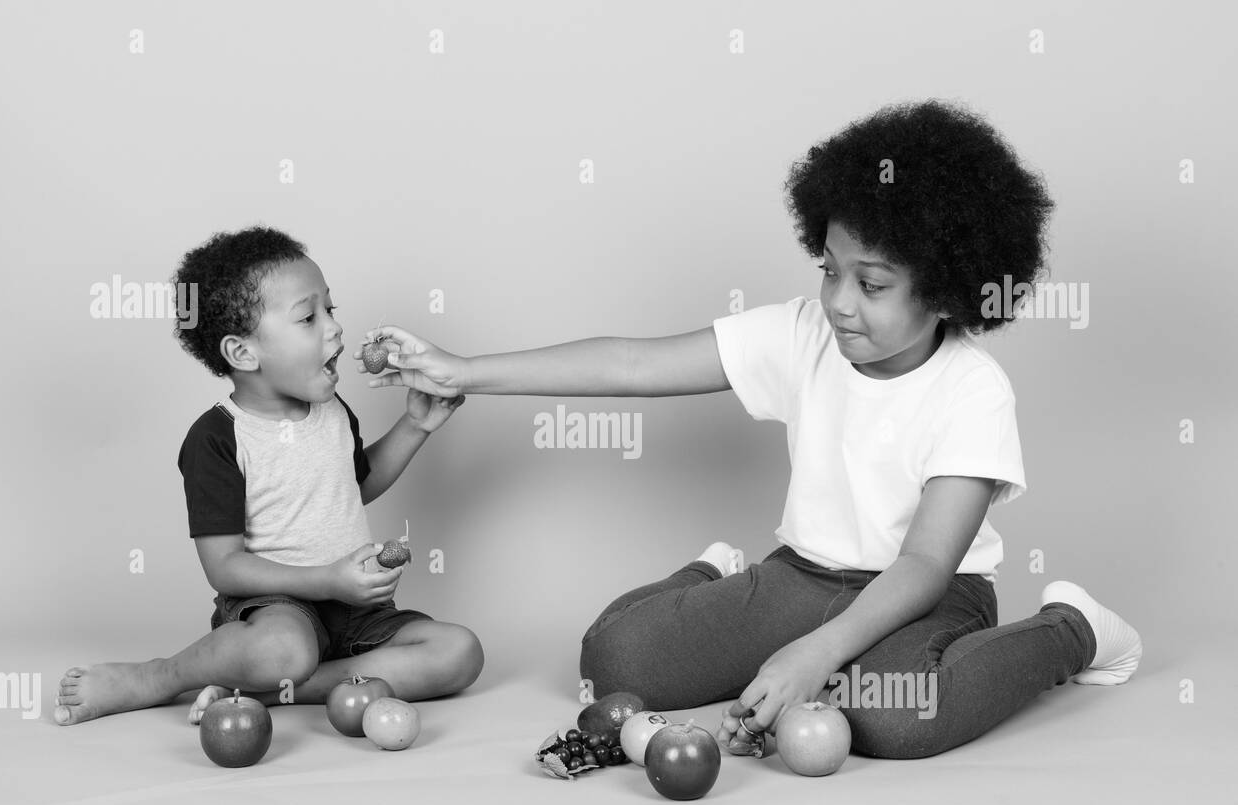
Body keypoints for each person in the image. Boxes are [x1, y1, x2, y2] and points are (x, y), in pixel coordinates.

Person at [358, 100, 1142, 760]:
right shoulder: (805, 335)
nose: (838, 301)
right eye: (828, 269)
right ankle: (715, 572)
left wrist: (817, 652)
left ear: (945, 295)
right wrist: (462, 370)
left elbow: (926, 565)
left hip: (931, 596)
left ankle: (1072, 629)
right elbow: (633, 365)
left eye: (870, 284)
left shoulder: (973, 389)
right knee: (613, 662)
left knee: (898, 719)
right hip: (803, 575)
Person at [53, 227, 483, 727]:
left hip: (357, 613)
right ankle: (162, 677)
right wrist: (325, 580)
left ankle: (269, 690)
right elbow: (225, 567)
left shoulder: (333, 410)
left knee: (459, 652)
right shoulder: (218, 438)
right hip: (279, 611)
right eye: (308, 317)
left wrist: (415, 426)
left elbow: (355, 486)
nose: (335, 330)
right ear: (242, 353)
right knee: (283, 649)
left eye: (331, 310)